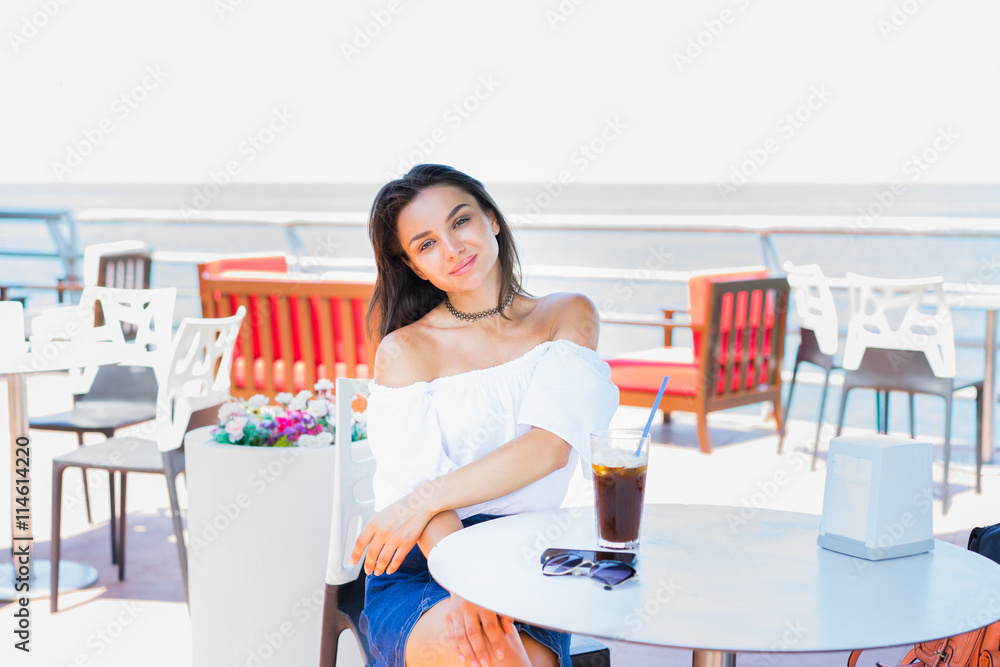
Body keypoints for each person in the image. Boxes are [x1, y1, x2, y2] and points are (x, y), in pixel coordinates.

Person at [351, 164, 620, 667]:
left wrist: (421, 499)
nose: (452, 248)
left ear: (492, 219)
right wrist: (467, 582)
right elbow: (422, 509)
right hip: (428, 562)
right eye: (427, 244)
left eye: (460, 221)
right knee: (489, 654)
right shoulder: (406, 350)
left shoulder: (567, 315)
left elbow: (548, 448)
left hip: (530, 557)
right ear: (414, 266)